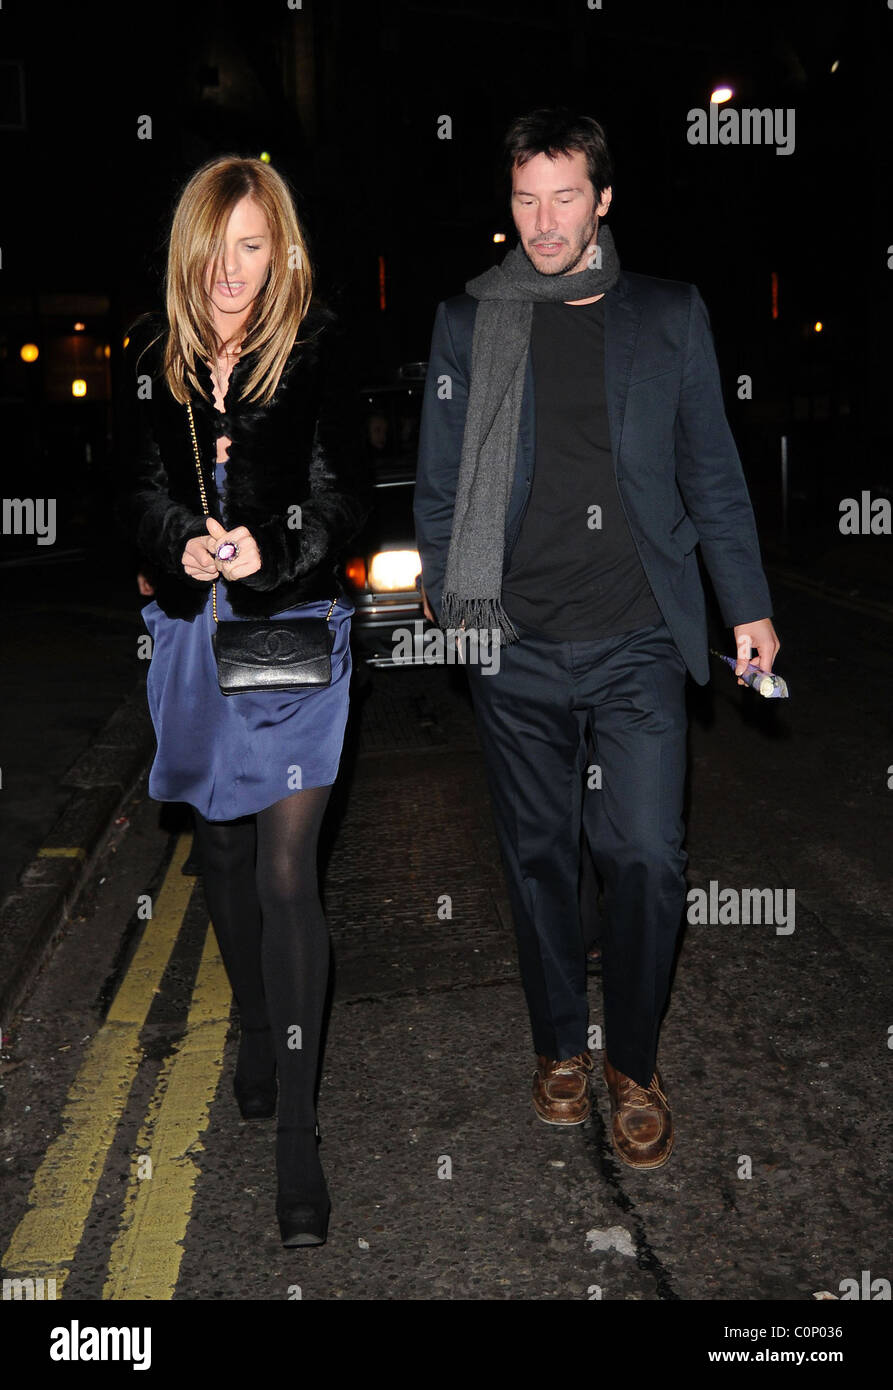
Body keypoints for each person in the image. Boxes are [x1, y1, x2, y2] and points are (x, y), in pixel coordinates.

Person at [413, 108, 779, 1170]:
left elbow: (709, 466)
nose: (542, 221)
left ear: (603, 200)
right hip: (514, 640)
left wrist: (744, 602)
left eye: (563, 197)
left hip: (633, 641)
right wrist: (445, 582)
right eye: (525, 199)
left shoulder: (666, 315)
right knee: (537, 859)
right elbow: (439, 480)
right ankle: (554, 1047)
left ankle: (632, 1062)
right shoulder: (467, 320)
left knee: (644, 857)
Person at [117, 154, 368, 1243]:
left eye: (255, 248)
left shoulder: (314, 352)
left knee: (282, 870)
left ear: (283, 250)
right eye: (218, 251)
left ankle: (297, 1139)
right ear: (192, 251)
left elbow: (343, 496)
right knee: (217, 853)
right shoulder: (148, 356)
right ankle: (255, 1025)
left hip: (287, 631)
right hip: (186, 632)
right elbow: (127, 495)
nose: (234, 273)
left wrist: (273, 546)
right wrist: (180, 541)